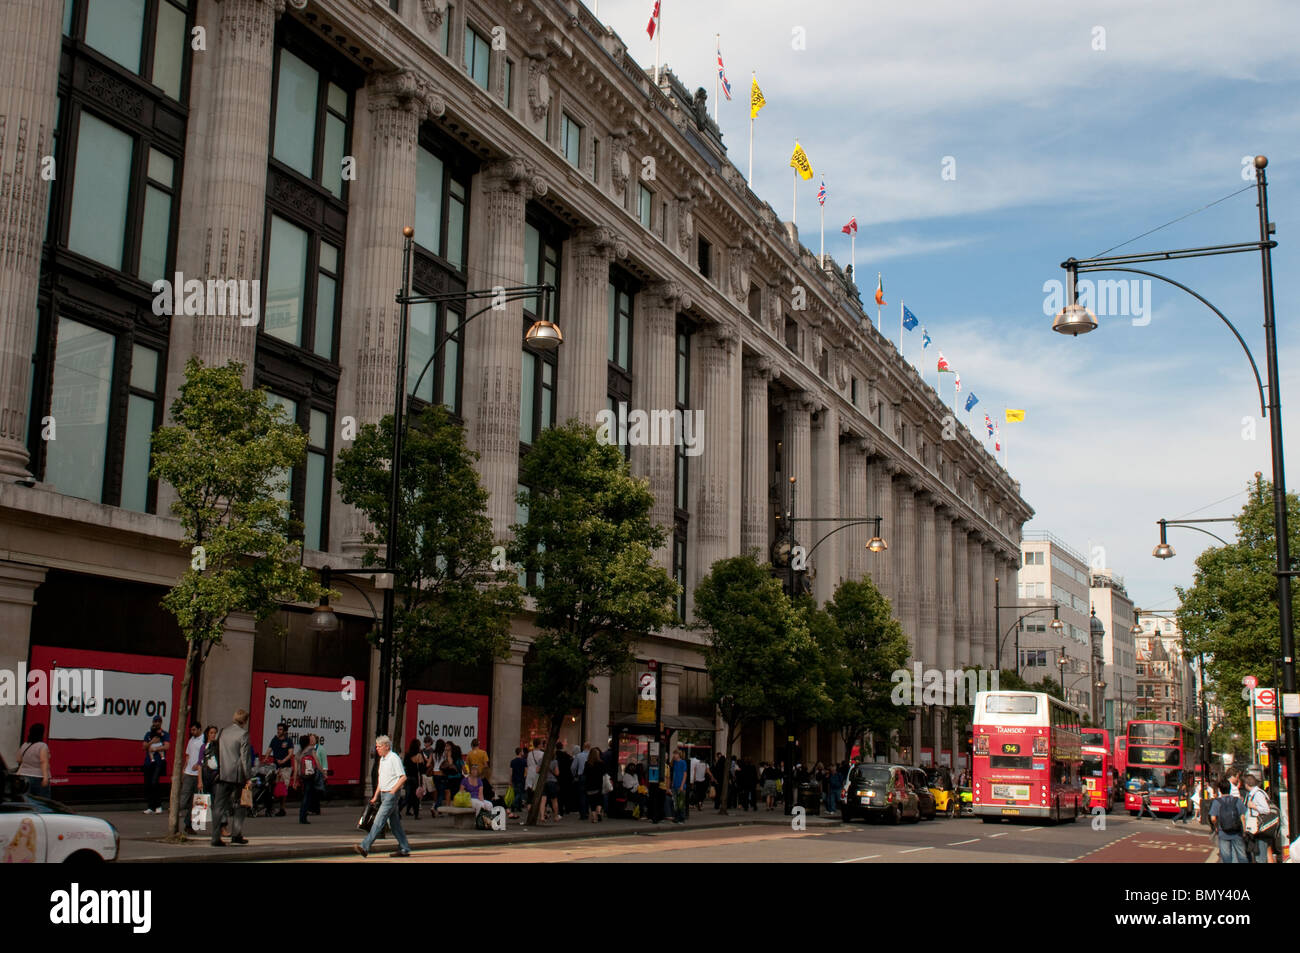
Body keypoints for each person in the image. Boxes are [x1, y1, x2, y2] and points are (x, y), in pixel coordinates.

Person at [356, 735, 413, 858]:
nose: (377, 749)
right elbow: (381, 781)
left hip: (391, 795)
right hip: (384, 794)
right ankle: (404, 847)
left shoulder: (394, 758)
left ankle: (365, 846)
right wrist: (375, 796)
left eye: (379, 746)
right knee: (394, 824)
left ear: (387, 746)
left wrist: (393, 791)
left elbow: (403, 777)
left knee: (378, 820)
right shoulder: (382, 760)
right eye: (376, 746)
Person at [211, 709, 252, 848]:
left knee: (218, 807)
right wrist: (248, 777)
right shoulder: (243, 734)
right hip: (237, 775)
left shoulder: (222, 732)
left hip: (222, 773)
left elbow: (215, 750)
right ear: (244, 721)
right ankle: (236, 834)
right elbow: (245, 758)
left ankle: (215, 837)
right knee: (240, 805)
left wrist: (219, 766)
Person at [1209, 778, 1246, 863]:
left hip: (1223, 832)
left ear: (1219, 790)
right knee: (1241, 855)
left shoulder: (1217, 802)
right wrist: (1244, 831)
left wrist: (1216, 827)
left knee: (1226, 857)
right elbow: (1242, 817)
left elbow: (1213, 818)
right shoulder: (1237, 800)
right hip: (1237, 832)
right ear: (1229, 789)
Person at [141, 715, 170, 814]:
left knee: (154, 782)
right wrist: (152, 742)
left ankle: (158, 805)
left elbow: (166, 746)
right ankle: (150, 806)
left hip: (158, 762)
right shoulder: (148, 734)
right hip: (148, 762)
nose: (156, 723)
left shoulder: (164, 734)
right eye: (155, 721)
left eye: (158, 721)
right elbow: (144, 747)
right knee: (148, 784)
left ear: (161, 723)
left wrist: (156, 748)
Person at [1242, 773, 1273, 863]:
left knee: (1260, 856)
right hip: (1260, 828)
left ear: (1246, 784)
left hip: (1260, 828)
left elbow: (1266, 809)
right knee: (1264, 853)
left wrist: (1253, 806)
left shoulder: (1258, 794)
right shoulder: (1256, 793)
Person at [15, 724, 51, 799]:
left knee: (26, 799)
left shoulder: (25, 744)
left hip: (24, 775)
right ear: (42, 733)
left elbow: (18, 759)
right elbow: (43, 761)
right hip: (38, 777)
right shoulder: (42, 746)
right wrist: (45, 777)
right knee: (42, 801)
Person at [179, 722, 203, 833]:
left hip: (199, 774)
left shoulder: (203, 740)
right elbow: (188, 755)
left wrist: (198, 765)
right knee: (185, 798)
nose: (192, 732)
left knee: (199, 801)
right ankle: (181, 818)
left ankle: (194, 826)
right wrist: (184, 769)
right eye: (191, 730)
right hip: (189, 773)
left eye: (194, 730)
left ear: (199, 729)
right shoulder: (191, 740)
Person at [267, 722, 294, 816]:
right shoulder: (274, 740)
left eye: (281, 729)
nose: (278, 731)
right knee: (274, 786)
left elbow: (290, 753)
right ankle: (271, 807)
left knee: (283, 788)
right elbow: (269, 749)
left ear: (285, 731)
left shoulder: (288, 740)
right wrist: (265, 758)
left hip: (285, 767)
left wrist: (283, 760)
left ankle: (282, 808)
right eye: (278, 729)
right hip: (276, 767)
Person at [297, 735, 321, 824]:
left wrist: (295, 779)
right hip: (310, 776)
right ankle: (303, 817)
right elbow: (317, 761)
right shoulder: (311, 749)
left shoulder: (300, 752)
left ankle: (301, 816)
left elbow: (297, 767)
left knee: (305, 796)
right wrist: (322, 772)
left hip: (302, 776)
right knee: (307, 797)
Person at [402, 739, 425, 819]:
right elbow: (422, 769)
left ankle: (399, 809)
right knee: (415, 797)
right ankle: (416, 814)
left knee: (408, 796)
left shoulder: (407, 755)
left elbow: (405, 765)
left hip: (407, 777)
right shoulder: (419, 755)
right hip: (415, 778)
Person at [584, 745, 607, 822]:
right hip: (599, 785)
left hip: (589, 785)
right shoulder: (601, 763)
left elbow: (584, 774)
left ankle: (594, 818)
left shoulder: (587, 764)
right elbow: (604, 773)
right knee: (599, 800)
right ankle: (599, 812)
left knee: (592, 802)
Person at [670, 750, 689, 823]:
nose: (674, 755)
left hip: (680, 786)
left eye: (675, 753)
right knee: (675, 803)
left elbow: (685, 775)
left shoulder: (683, 762)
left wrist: (682, 785)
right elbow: (674, 773)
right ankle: (677, 817)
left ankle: (682, 817)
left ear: (679, 754)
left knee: (680, 802)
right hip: (674, 785)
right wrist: (672, 783)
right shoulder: (674, 762)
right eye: (674, 753)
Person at [508, 747, 527, 819]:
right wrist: (525, 777)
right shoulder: (524, 761)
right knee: (519, 793)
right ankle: (513, 804)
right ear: (520, 752)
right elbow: (526, 771)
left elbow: (511, 772)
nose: (523, 752)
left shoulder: (513, 761)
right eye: (522, 751)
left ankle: (518, 807)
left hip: (514, 779)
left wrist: (510, 780)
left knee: (516, 792)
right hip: (521, 779)